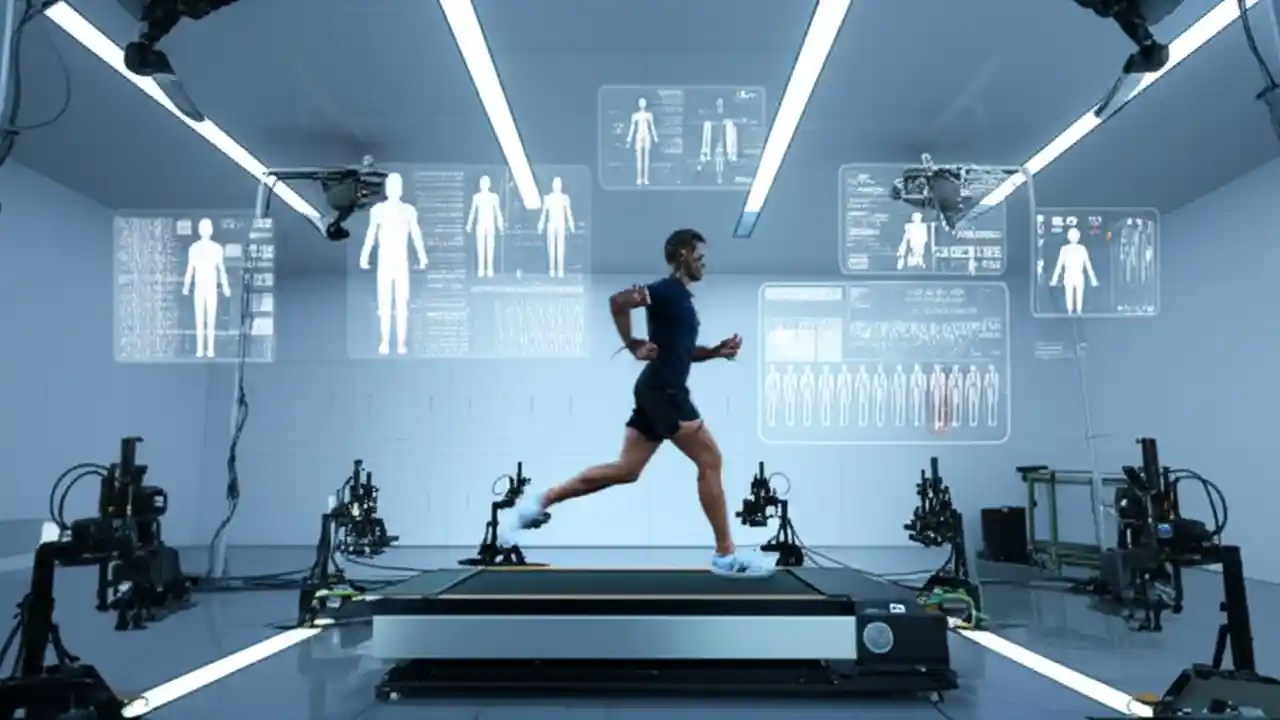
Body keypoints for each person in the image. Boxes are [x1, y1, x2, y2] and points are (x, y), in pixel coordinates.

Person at [500, 229, 775, 577]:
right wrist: (632, 343)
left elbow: (680, 352)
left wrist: (715, 352)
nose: (704, 263)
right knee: (710, 460)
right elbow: (618, 302)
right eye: (700, 256)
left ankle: (538, 502)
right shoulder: (665, 290)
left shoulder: (681, 300)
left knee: (627, 469)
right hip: (665, 392)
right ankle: (726, 555)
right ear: (682, 255)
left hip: (655, 389)